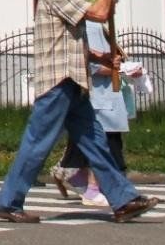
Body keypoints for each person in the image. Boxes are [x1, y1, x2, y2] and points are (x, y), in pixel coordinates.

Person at [0, 0, 158, 224]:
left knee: (96, 142)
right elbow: (100, 13)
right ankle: (8, 202)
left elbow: (69, 42)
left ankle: (124, 199)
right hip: (59, 81)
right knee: (37, 143)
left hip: (74, 81)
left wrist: (100, 57)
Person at [54, 21, 146, 208]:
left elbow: (110, 58)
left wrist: (121, 66)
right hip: (98, 96)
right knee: (101, 143)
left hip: (107, 97)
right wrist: (114, 68)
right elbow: (87, 62)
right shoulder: (88, 27)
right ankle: (95, 189)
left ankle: (81, 179)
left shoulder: (100, 27)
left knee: (103, 143)